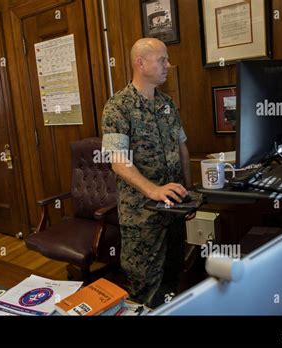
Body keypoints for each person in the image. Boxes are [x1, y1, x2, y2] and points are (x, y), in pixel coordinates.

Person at [101, 38, 192, 308]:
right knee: (146, 293)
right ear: (140, 63)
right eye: (162, 59)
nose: (168, 65)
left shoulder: (168, 104)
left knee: (173, 282)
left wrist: (189, 193)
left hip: (174, 211)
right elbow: (118, 162)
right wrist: (154, 190)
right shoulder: (118, 107)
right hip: (143, 219)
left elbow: (182, 148)